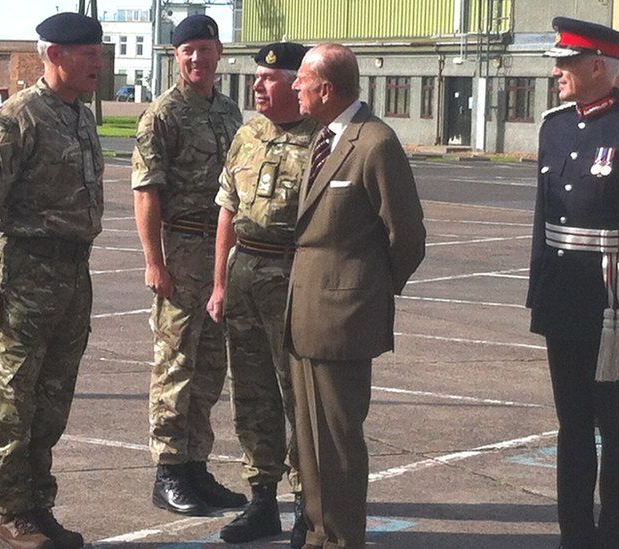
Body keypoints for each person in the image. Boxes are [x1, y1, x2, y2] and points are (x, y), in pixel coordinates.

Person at [527, 18, 619, 549]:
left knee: (612, 424)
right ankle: (574, 534)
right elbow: (545, 219)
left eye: (566, 62)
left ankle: (614, 534)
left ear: (599, 66)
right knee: (571, 424)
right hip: (564, 295)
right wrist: (537, 292)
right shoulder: (554, 125)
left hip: (614, 302)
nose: (557, 70)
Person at [0, 12, 104, 549]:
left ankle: (39, 506)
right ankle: (12, 514)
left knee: (53, 399)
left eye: (99, 52)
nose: (98, 62)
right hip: (28, 272)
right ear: (55, 55)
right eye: (87, 53)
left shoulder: (80, 116)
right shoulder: (18, 118)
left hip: (75, 271)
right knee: (14, 398)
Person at [287, 43, 426, 549]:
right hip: (304, 314)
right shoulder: (324, 137)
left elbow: (407, 235)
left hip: (343, 317)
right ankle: (320, 534)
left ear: (326, 88)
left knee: (339, 442)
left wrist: (366, 291)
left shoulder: (375, 143)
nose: (295, 88)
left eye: (302, 80)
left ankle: (344, 539)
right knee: (310, 441)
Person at [131, 14, 247, 517]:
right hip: (180, 249)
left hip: (221, 253)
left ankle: (197, 467)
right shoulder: (163, 115)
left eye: (205, 49)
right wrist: (154, 261)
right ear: (175, 57)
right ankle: (168, 472)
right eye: (187, 51)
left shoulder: (228, 111)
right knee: (175, 363)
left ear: (219, 53)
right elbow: (146, 193)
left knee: (209, 366)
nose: (197, 59)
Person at [206, 42, 318, 545]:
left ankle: (308, 506)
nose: (257, 86)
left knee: (299, 396)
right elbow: (226, 208)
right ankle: (262, 501)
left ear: (297, 84)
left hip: (294, 276)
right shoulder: (248, 133)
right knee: (251, 395)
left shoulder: (324, 139)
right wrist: (219, 284)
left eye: (269, 79)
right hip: (246, 272)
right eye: (256, 77)